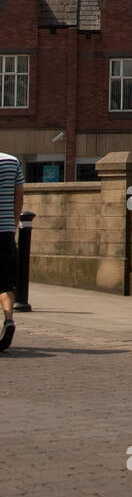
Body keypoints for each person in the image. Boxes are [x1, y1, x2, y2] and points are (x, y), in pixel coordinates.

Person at [0, 149, 24, 351]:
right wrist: (13, 224)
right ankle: (9, 319)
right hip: (5, 232)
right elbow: (19, 197)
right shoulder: (12, 161)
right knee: (5, 282)